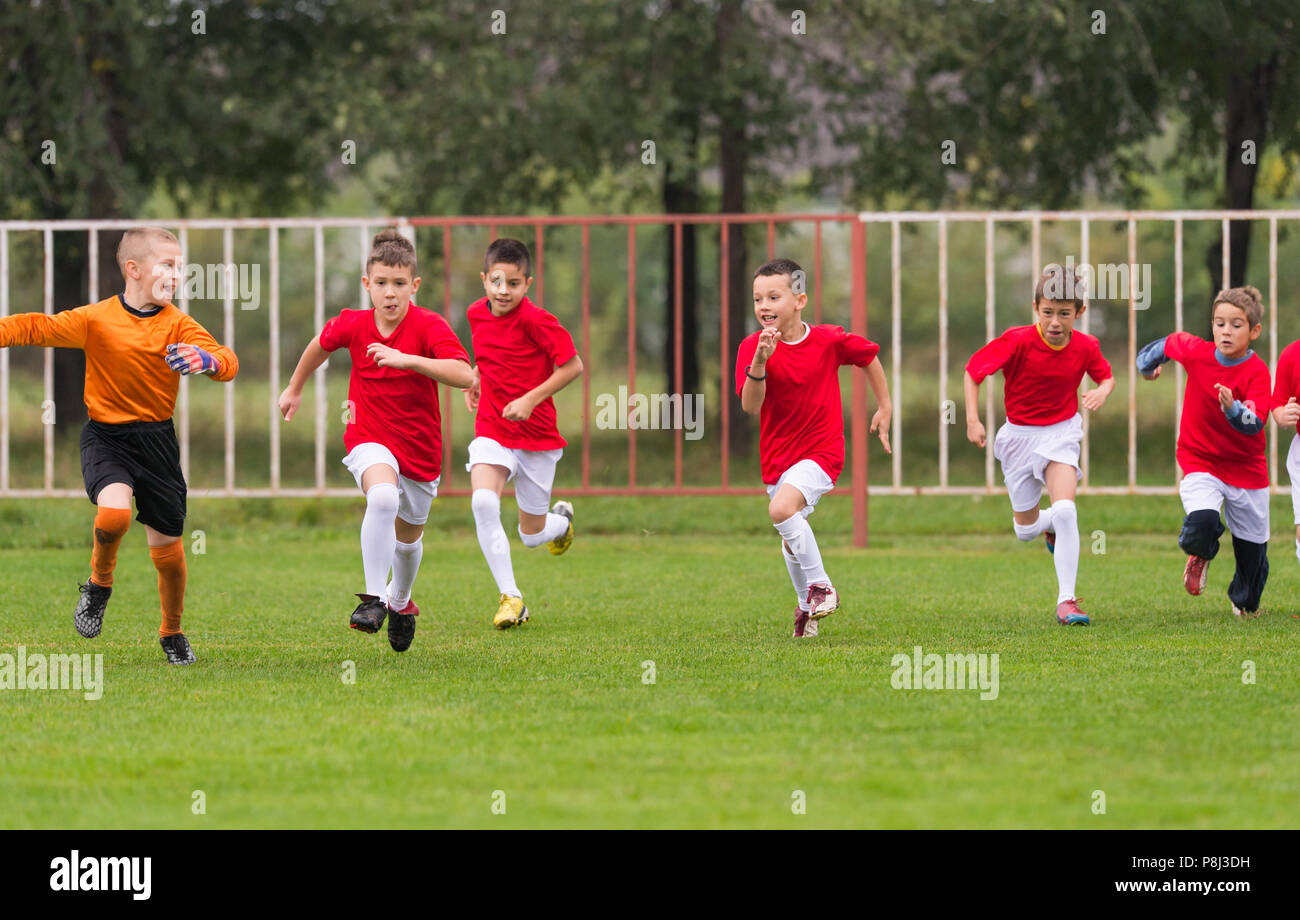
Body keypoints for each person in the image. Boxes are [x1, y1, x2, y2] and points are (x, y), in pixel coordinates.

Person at [0, 227, 239, 664]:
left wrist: (207, 361)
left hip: (157, 444)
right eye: (167, 265)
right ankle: (99, 584)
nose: (176, 275)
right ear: (133, 269)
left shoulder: (179, 324)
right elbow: (36, 327)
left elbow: (227, 361)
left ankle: (172, 632)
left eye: (179, 268)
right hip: (106, 438)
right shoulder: (96, 319)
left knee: (167, 555)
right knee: (113, 513)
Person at [279, 229, 472, 651]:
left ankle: (401, 601)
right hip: (368, 436)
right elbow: (319, 346)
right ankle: (373, 601)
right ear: (367, 284)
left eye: (399, 284)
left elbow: (465, 374)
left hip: (420, 447)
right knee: (382, 498)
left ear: (414, 286)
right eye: (381, 283)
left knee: (409, 541)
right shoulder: (353, 323)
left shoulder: (428, 325)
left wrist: (409, 360)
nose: (390, 293)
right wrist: (294, 387)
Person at [736, 258, 892, 639]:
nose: (764, 307)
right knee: (792, 537)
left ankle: (821, 587)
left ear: (799, 299)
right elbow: (750, 405)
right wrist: (760, 361)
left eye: (774, 296)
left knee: (781, 510)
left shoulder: (827, 339)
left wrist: (885, 406)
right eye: (758, 299)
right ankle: (806, 610)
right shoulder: (751, 348)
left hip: (822, 453)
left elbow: (869, 356)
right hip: (777, 461)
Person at [965, 264, 1114, 626]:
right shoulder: (1016, 340)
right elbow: (973, 372)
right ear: (1036, 308)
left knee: (1067, 511)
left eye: (1065, 313)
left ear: (1079, 312)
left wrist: (1101, 391)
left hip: (1061, 434)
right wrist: (971, 419)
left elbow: (1106, 375)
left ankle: (1067, 601)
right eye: (1048, 312)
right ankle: (1043, 526)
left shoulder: (1086, 346)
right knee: (1025, 531)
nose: (1055, 322)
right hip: (1018, 438)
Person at [464, 238, 582, 630]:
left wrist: (531, 399)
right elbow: (487, 355)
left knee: (531, 536)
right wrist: (475, 380)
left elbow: (572, 366)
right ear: (484, 279)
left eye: (513, 283)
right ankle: (511, 597)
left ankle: (561, 523)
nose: (503, 290)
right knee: (483, 501)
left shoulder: (538, 321)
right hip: (492, 429)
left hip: (536, 438)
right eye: (496, 281)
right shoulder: (475, 314)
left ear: (527, 284)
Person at [1137, 286, 1271, 619]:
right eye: (1219, 323)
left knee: (1252, 557)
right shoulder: (1197, 352)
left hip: (1246, 469)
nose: (1226, 331)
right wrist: (1146, 367)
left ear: (1254, 331)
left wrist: (1232, 408)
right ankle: (1202, 552)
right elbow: (1166, 345)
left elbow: (1254, 422)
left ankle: (1244, 601)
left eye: (1236, 325)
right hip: (1201, 461)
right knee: (1202, 522)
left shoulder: (1257, 372)